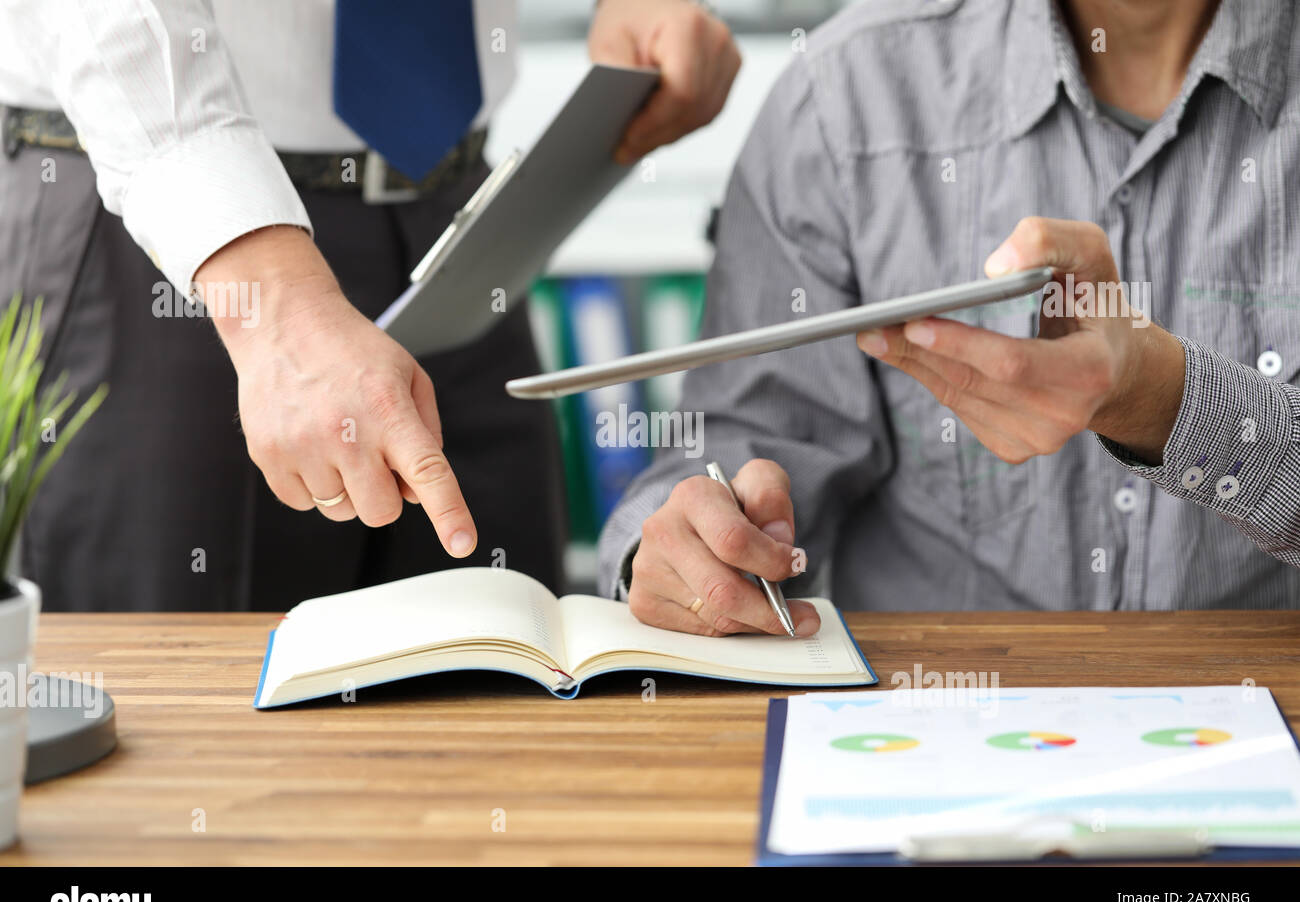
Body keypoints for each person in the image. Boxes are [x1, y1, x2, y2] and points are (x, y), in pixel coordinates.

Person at [0, 0, 740, 610]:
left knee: (505, 699)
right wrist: (273, 299)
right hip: (175, 228)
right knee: (195, 736)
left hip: (457, 212)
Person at [596, 0, 1300, 637]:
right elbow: (744, 439)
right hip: (921, 736)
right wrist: (689, 547)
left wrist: (1165, 402)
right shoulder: (844, 96)